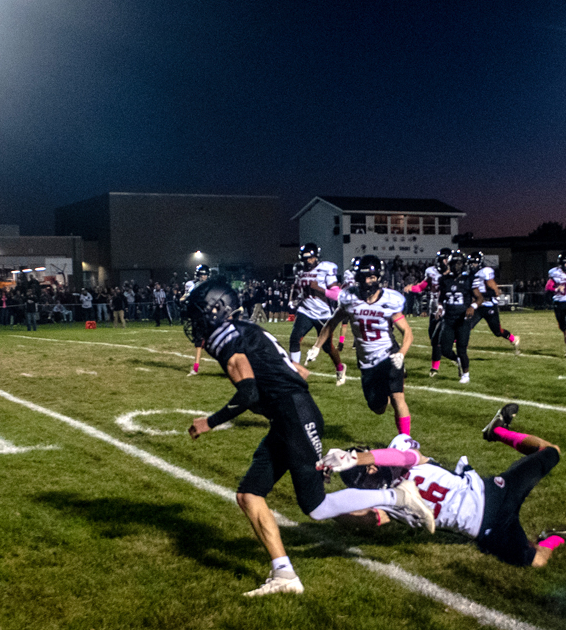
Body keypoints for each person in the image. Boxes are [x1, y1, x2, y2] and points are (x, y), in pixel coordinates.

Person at [184, 279, 434, 596]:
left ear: (216, 310)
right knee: (249, 495)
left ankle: (397, 497)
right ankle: (284, 575)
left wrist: (210, 422)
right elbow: (299, 372)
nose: (195, 321)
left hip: (294, 417)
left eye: (199, 313)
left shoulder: (225, 337)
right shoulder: (246, 329)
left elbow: (248, 392)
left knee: (315, 507)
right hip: (289, 417)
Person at [318, 403, 566, 568]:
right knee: (537, 560)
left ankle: (497, 431)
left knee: (551, 452)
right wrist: (321, 502)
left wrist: (355, 461)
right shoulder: (386, 501)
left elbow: (404, 457)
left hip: (494, 490)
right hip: (487, 528)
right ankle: (554, 538)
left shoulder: (400, 456)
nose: (372, 464)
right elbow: (363, 519)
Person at [308, 256, 415, 434]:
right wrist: (316, 346)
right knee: (378, 407)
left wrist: (401, 353)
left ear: (378, 277)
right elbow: (331, 323)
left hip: (389, 354)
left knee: (398, 398)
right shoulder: (349, 298)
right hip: (366, 361)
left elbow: (407, 332)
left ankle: (406, 441)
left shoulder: (389, 299)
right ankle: (386, 393)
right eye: (364, 277)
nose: (367, 282)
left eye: (371, 277)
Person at [290, 243, 347, 385]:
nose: (308, 261)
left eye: (310, 258)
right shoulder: (300, 270)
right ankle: (295, 373)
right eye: (305, 259)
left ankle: (340, 368)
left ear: (316, 257)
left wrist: (319, 289)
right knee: (294, 339)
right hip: (305, 311)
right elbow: (296, 286)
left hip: (323, 313)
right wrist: (293, 299)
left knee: (328, 347)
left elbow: (336, 294)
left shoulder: (325, 268)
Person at [403, 247, 451, 376]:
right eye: (443, 260)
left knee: (437, 341)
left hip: (447, 309)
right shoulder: (431, 271)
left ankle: (435, 368)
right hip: (433, 308)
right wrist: (412, 288)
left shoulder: (453, 274)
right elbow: (422, 287)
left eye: (445, 260)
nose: (444, 262)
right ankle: (452, 354)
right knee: (433, 338)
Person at [435, 250, 477, 383]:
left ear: (463, 264)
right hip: (449, 318)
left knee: (461, 349)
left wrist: (472, 306)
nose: (455, 266)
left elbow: (480, 297)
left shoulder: (468, 279)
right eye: (453, 263)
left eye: (458, 263)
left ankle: (466, 375)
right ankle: (457, 360)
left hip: (462, 319)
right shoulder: (444, 280)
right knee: (445, 349)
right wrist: (440, 308)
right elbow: (441, 298)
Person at [467, 251, 520, 354]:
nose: (473, 265)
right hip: (477, 306)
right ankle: (458, 348)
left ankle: (513, 339)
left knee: (497, 332)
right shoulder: (470, 274)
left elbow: (495, 292)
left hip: (489, 305)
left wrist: (480, 296)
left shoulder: (485, 271)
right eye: (471, 263)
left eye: (475, 263)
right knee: (466, 327)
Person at [182, 265, 210, 374]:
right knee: (198, 341)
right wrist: (181, 300)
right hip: (197, 316)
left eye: (205, 275)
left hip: (208, 316)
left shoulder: (210, 286)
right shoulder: (192, 285)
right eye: (201, 275)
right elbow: (185, 297)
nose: (203, 277)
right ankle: (196, 367)